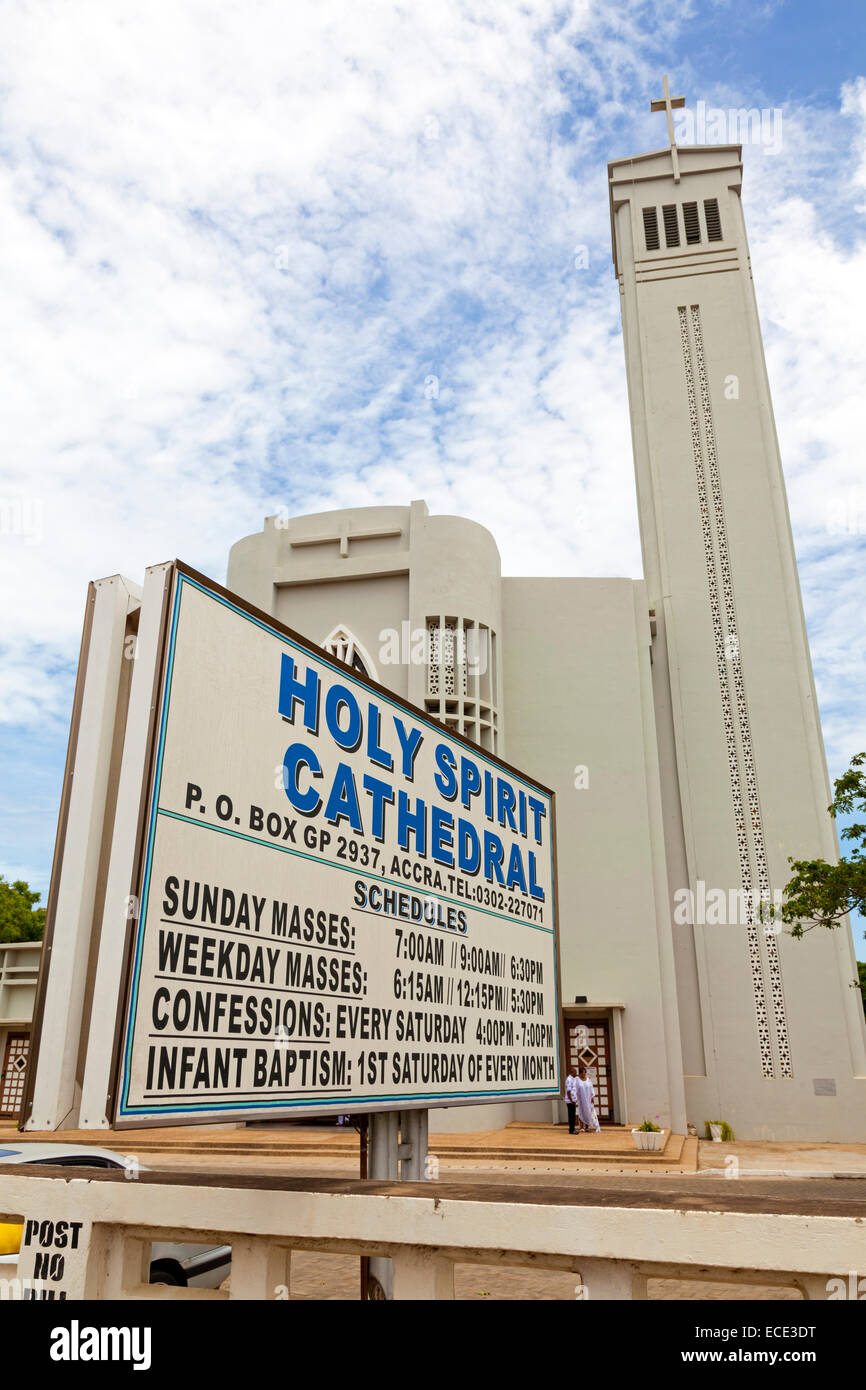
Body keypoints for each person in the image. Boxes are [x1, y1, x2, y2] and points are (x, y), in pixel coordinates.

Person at [576, 1065, 601, 1132]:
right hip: (581, 1099)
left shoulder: (588, 1080)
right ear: (580, 1073)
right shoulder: (577, 1080)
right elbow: (576, 1090)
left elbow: (591, 1089)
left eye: (585, 1073)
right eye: (582, 1073)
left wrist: (592, 1097)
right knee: (581, 1112)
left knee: (589, 1112)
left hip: (588, 1099)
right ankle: (581, 1127)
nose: (584, 1074)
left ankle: (587, 1126)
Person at [565, 1066, 579, 1133]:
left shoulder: (573, 1079)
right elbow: (568, 1091)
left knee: (573, 1115)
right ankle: (571, 1129)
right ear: (571, 1072)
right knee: (571, 1115)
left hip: (572, 1100)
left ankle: (572, 1128)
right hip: (570, 1101)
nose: (576, 1074)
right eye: (575, 1072)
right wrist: (571, 1100)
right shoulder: (569, 1079)